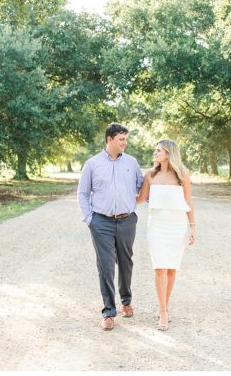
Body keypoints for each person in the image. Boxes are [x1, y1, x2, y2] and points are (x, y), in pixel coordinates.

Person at [78, 123, 144, 331]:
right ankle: (108, 312)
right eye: (121, 139)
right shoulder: (92, 164)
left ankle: (126, 301)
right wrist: (90, 219)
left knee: (126, 262)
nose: (125, 143)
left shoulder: (132, 163)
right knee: (105, 266)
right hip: (101, 222)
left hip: (127, 221)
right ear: (109, 139)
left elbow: (142, 186)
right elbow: (82, 193)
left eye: (126, 139)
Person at [136, 139, 196, 331]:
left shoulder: (182, 175)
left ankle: (165, 307)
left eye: (158, 150)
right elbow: (140, 199)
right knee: (159, 268)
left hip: (177, 226)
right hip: (157, 226)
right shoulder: (150, 175)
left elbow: (188, 202)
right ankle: (163, 312)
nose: (155, 153)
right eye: (155, 150)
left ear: (169, 153)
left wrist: (192, 227)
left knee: (171, 269)